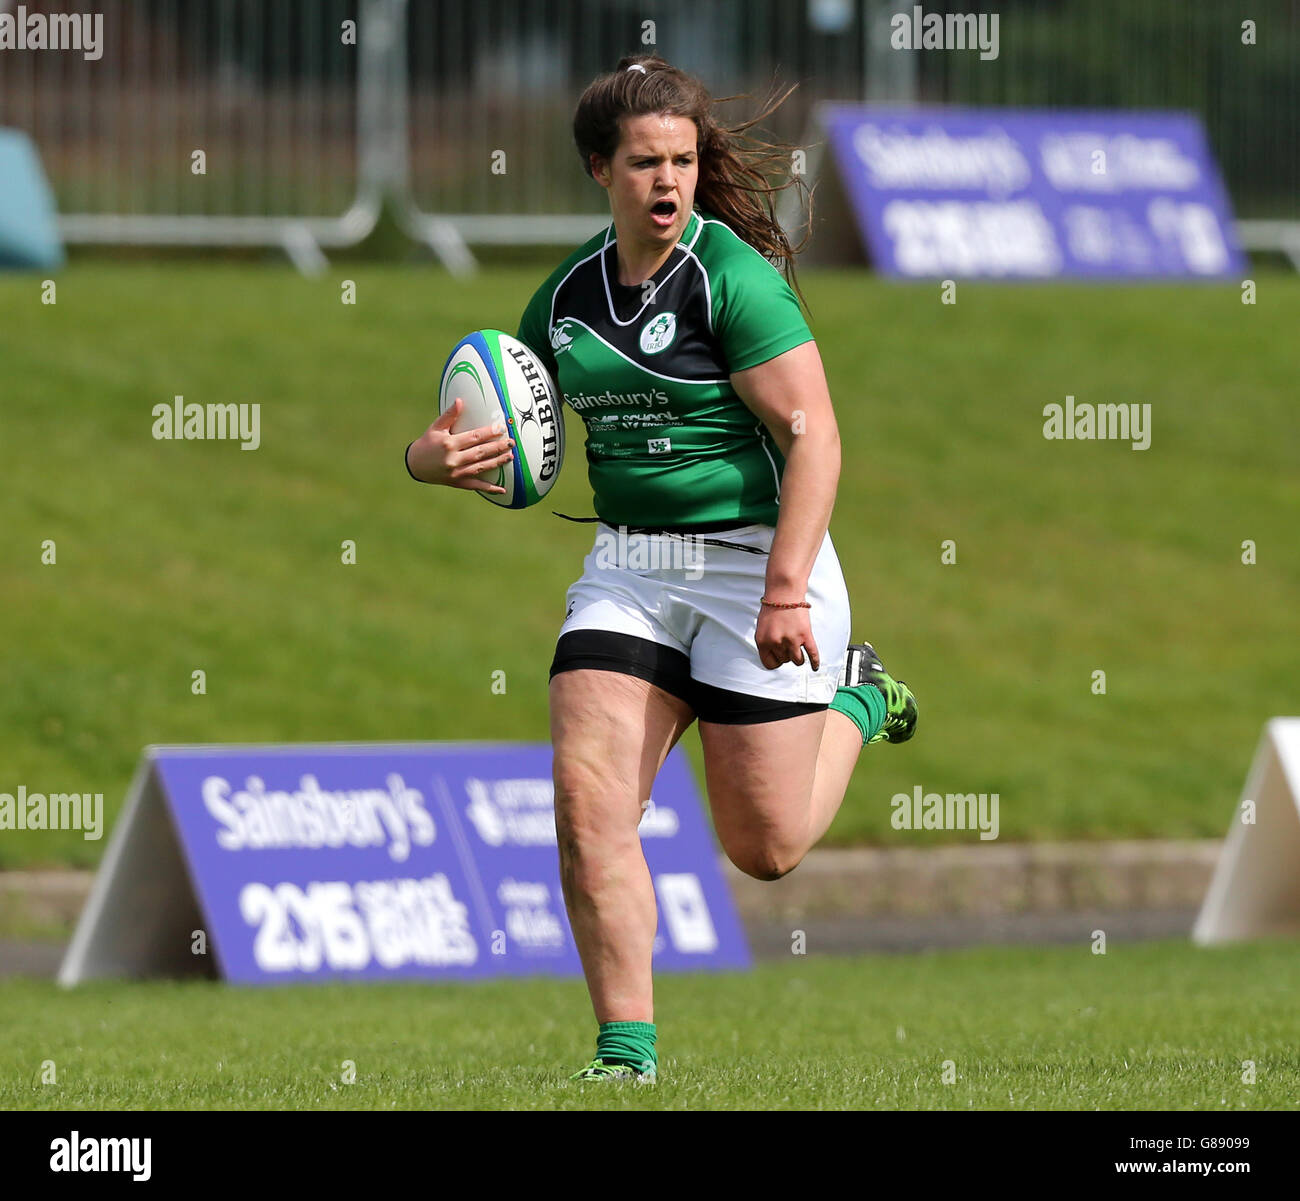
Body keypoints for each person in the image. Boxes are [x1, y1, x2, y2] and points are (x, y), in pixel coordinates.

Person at [405, 54, 917, 1084]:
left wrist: (784, 587)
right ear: (602, 169)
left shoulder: (732, 279)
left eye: (682, 159)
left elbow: (814, 440)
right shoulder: (563, 299)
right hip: (629, 570)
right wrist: (431, 458)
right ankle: (624, 1054)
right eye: (646, 162)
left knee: (762, 847)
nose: (670, 182)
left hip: (752, 565)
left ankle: (857, 697)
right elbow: (501, 421)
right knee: (586, 802)